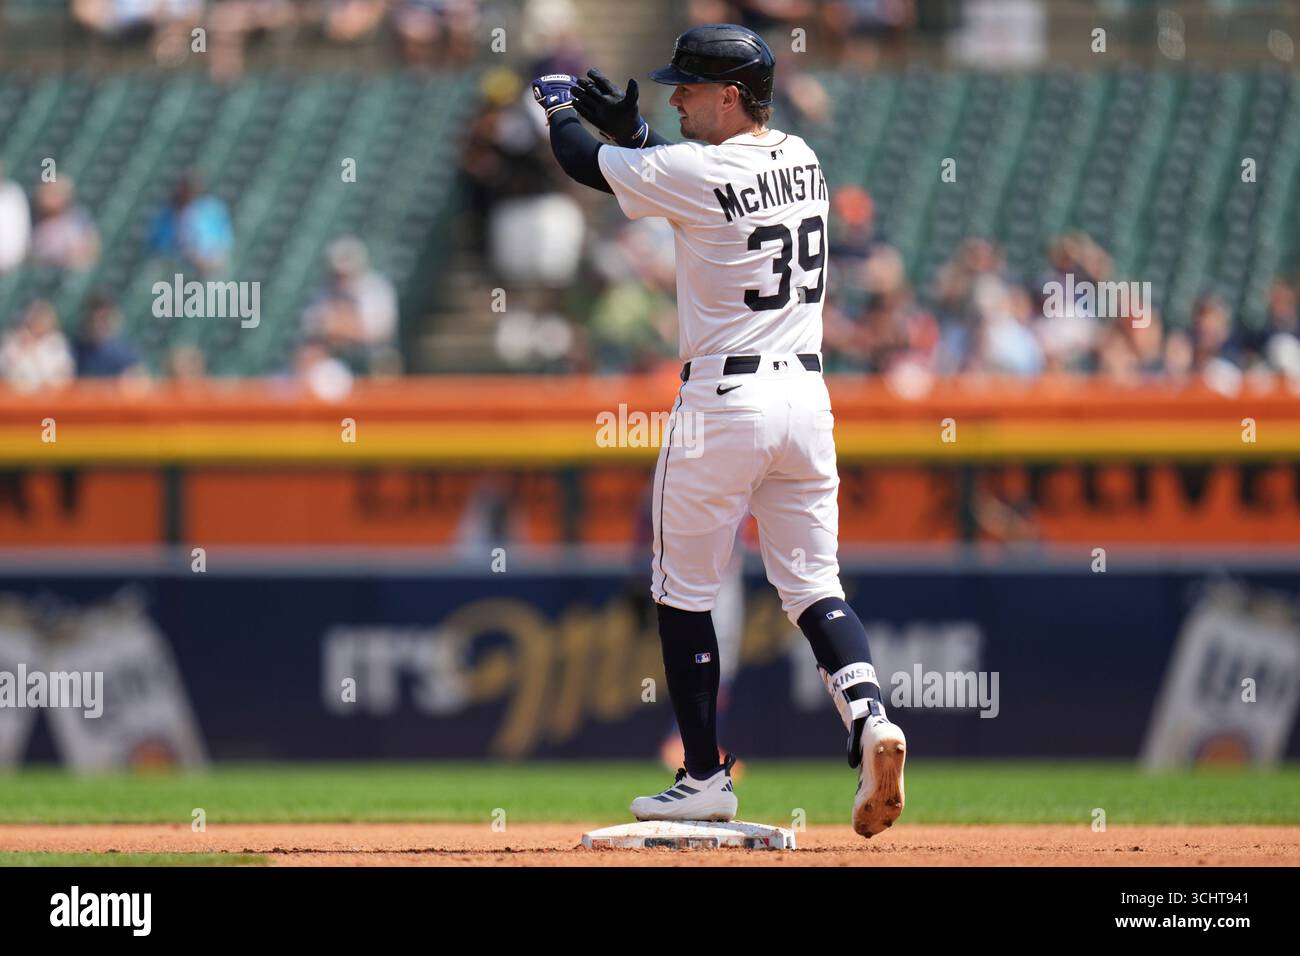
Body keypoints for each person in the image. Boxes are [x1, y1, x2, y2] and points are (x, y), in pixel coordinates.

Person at [532, 23, 905, 839]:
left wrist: (557, 103)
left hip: (723, 404)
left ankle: (704, 776)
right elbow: (697, 180)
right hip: (807, 404)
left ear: (730, 96)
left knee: (682, 590)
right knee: (813, 584)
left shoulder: (693, 169)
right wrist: (634, 131)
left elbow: (578, 161)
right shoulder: (802, 157)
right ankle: (871, 716)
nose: (675, 98)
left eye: (689, 88)